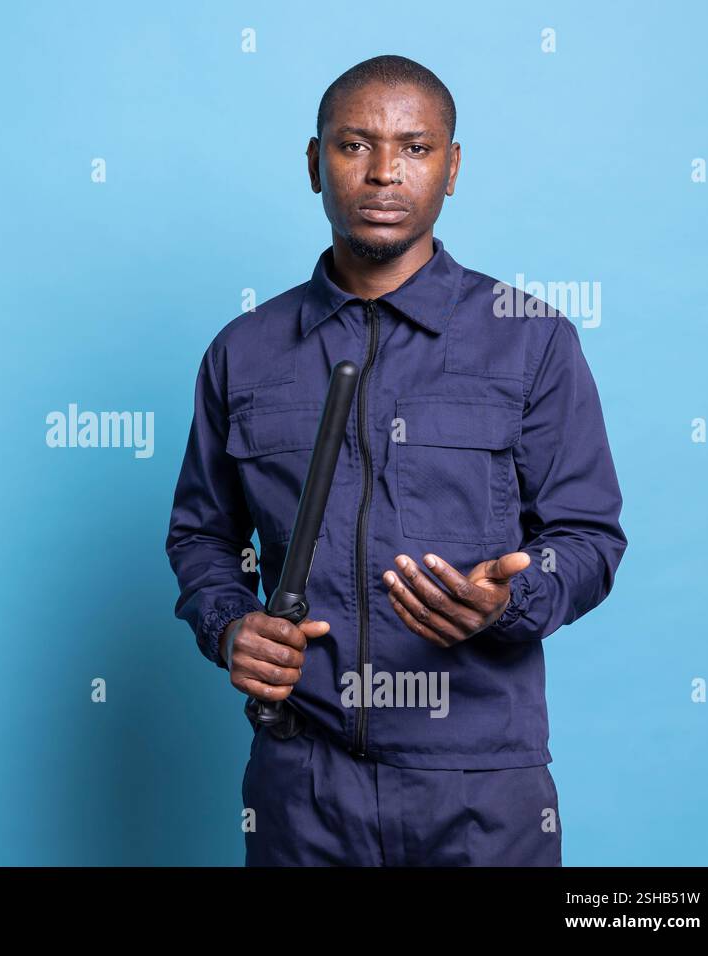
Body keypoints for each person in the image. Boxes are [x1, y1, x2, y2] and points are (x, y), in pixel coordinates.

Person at [164, 55, 627, 866]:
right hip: (300, 782)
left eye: (415, 148)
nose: (384, 172)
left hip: (482, 786)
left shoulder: (533, 338)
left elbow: (589, 538)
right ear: (314, 163)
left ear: (453, 168)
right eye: (353, 145)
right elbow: (202, 538)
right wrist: (228, 623)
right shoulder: (244, 351)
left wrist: (509, 601)